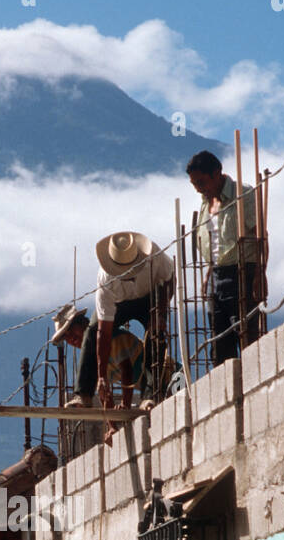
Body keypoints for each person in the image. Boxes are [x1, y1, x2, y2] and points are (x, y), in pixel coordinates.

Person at [58, 231, 174, 413]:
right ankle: (83, 394)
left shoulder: (155, 257)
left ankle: (150, 395)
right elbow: (103, 332)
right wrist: (102, 375)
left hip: (151, 297)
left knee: (155, 335)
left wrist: (161, 312)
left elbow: (169, 281)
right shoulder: (105, 281)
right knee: (92, 330)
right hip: (119, 303)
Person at [186, 150, 267, 366]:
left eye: (201, 182)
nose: (199, 188)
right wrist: (207, 275)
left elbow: (261, 236)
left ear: (217, 173)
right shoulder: (205, 203)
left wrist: (260, 273)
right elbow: (213, 245)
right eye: (194, 184)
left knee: (246, 334)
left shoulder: (243, 195)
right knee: (219, 341)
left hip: (242, 272)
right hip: (217, 277)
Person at [52, 308, 146, 409]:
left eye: (71, 331)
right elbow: (104, 393)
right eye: (66, 338)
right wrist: (111, 423)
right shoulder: (92, 358)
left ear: (84, 323)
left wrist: (125, 405)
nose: (71, 338)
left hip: (159, 375)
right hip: (146, 386)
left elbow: (127, 371)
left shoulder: (111, 338)